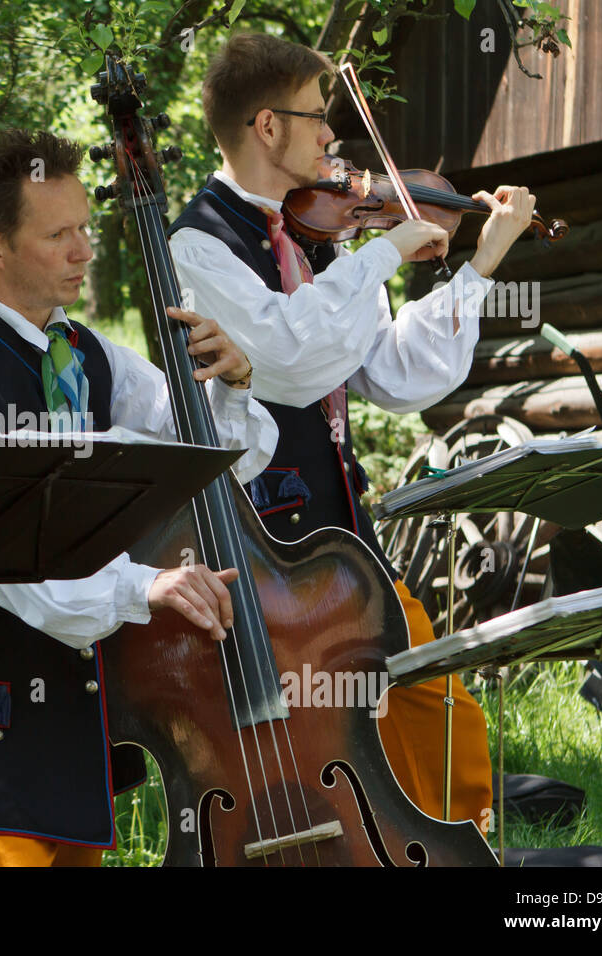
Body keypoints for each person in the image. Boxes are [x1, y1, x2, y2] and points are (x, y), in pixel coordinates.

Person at [0, 129, 278, 867]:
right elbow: (13, 560)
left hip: (77, 710)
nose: (83, 250)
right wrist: (148, 585)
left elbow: (224, 461)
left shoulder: (93, 357)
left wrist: (233, 384)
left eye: (86, 229)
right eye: (58, 234)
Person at [168, 32, 537, 826]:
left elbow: (392, 370)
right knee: (320, 745)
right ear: (267, 127)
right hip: (263, 543)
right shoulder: (197, 245)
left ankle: (462, 851)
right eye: (316, 118)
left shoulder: (323, 235)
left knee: (435, 709)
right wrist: (379, 257)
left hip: (346, 523)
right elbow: (283, 357)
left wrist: (482, 263)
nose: (333, 139)